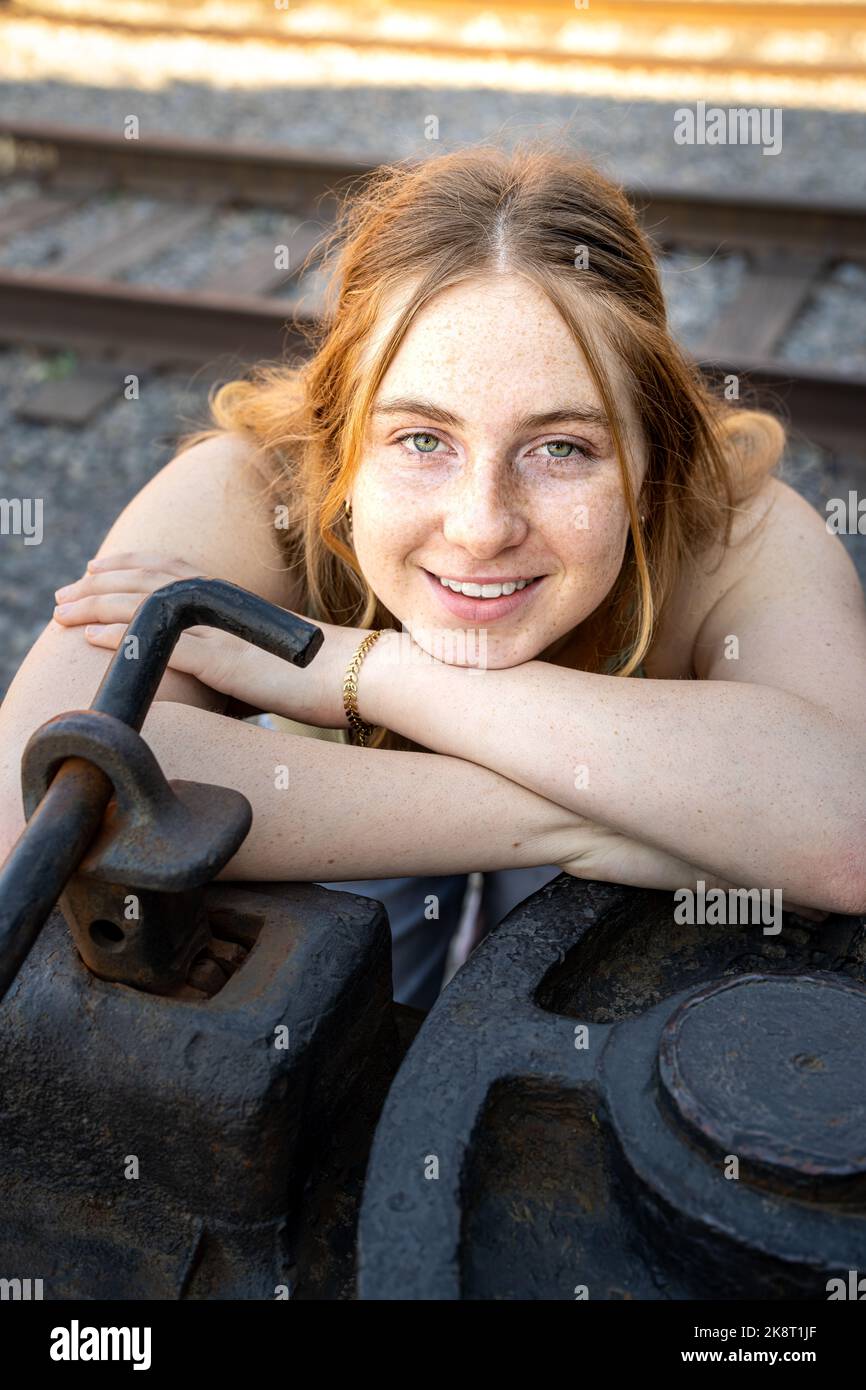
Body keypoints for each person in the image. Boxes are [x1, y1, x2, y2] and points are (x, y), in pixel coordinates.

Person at [2, 140, 864, 1009]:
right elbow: (36, 805)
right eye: (422, 440)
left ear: (653, 459)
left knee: (589, 947)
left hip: (453, 848)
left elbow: (847, 823)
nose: (482, 526)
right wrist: (596, 815)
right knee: (350, 963)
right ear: (337, 441)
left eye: (562, 447)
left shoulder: (739, 531)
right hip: (395, 840)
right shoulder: (257, 482)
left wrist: (364, 670)